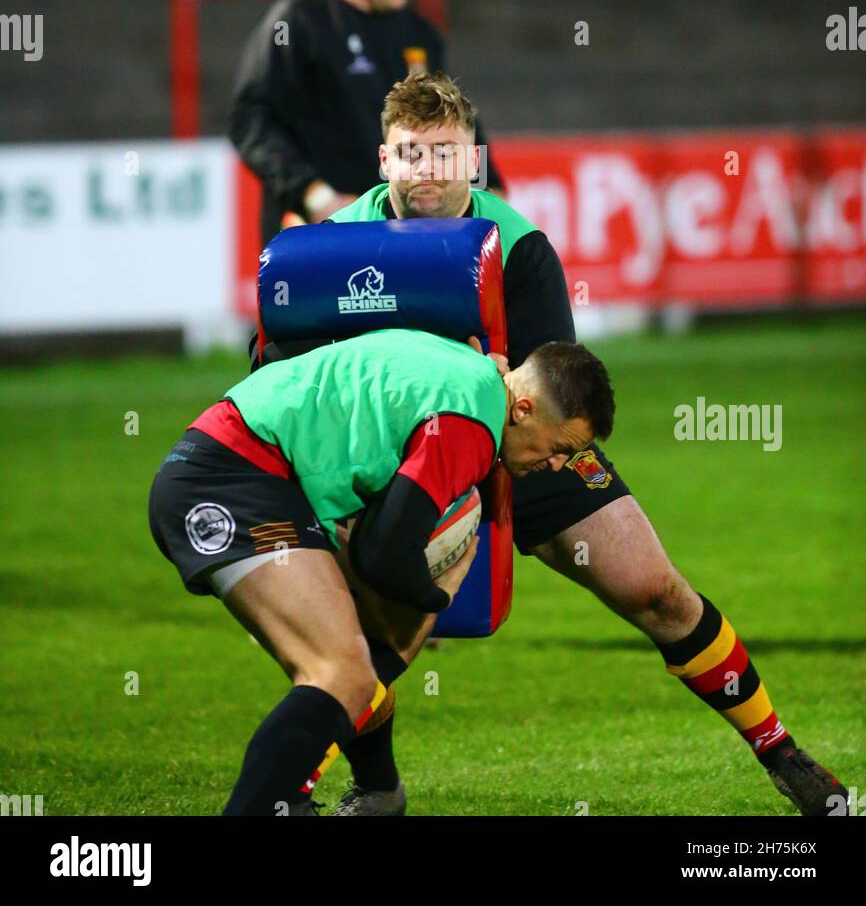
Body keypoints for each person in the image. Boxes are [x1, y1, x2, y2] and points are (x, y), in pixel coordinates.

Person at [260, 70, 848, 819]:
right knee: (355, 643)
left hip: (519, 439)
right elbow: (276, 369)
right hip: (390, 462)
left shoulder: (520, 247)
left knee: (657, 590)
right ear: (383, 161)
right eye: (410, 154)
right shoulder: (335, 245)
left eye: (444, 154)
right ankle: (351, 787)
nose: (427, 170)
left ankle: (780, 752)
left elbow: (548, 395)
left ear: (473, 160)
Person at [148, 327, 614, 816]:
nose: (560, 465)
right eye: (560, 446)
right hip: (232, 479)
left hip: (240, 468)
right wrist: (442, 596)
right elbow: (386, 556)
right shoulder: (471, 424)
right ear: (523, 409)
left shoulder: (470, 368)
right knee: (341, 674)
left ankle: (348, 795)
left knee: (353, 661)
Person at [228, 0, 502, 243]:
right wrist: (315, 196)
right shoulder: (298, 23)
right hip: (319, 235)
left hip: (407, 235)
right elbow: (251, 122)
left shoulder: (419, 34)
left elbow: (454, 118)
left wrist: (491, 188)